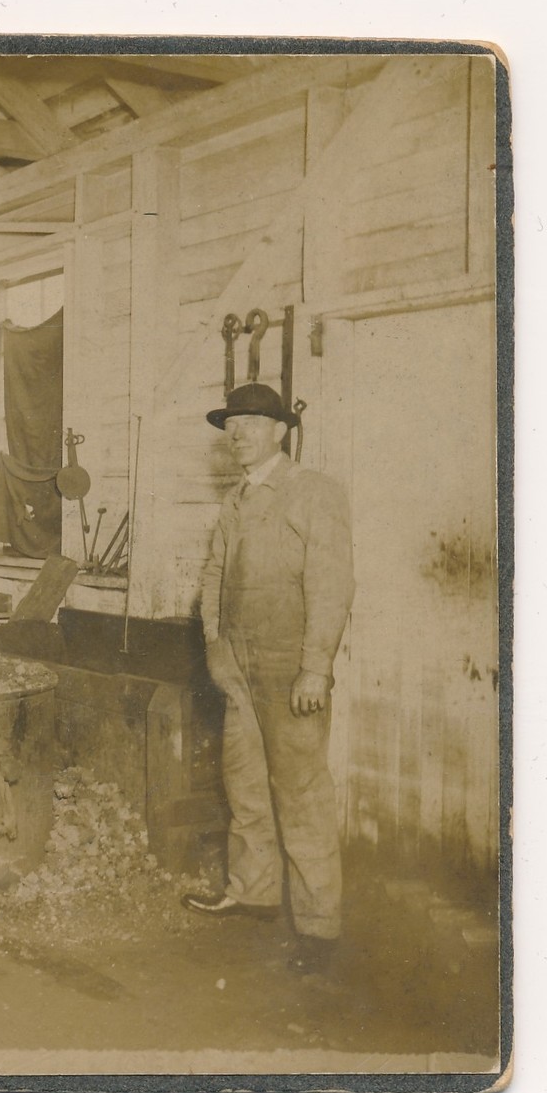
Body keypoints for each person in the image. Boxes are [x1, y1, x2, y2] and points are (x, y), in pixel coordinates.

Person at [183, 382, 355, 976]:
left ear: (280, 431)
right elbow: (213, 576)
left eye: (252, 424)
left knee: (300, 791)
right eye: (231, 425)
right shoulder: (236, 499)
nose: (238, 435)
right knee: (246, 783)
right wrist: (213, 644)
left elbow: (332, 584)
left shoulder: (313, 493)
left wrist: (315, 667)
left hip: (290, 666)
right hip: (238, 662)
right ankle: (252, 892)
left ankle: (318, 927)